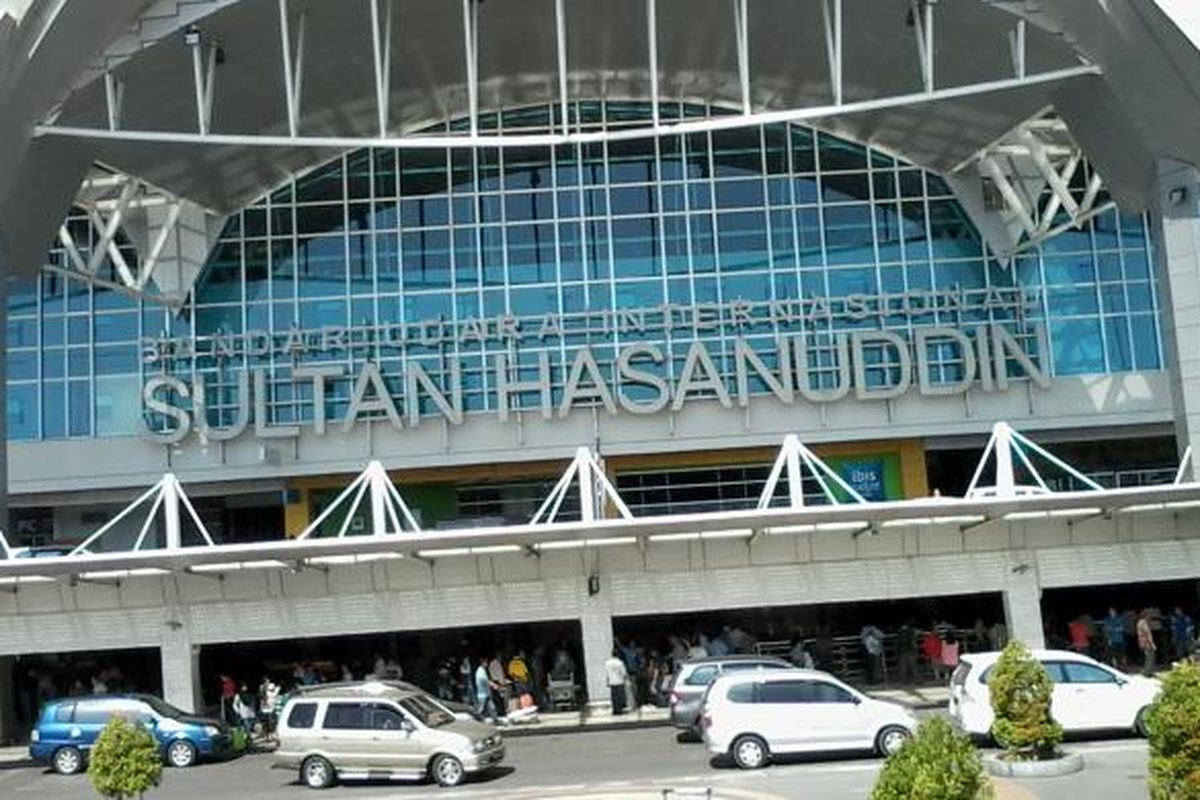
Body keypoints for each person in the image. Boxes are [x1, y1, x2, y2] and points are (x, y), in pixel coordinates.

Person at [604, 648, 629, 715]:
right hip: (619, 681)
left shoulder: (607, 663)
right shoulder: (620, 663)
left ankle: (615, 710)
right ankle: (619, 710)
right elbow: (624, 673)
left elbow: (607, 673)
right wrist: (626, 680)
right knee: (619, 696)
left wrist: (607, 681)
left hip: (612, 681)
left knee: (614, 697)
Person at [474, 656, 498, 721]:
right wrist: (492, 684)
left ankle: (495, 719)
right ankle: (478, 719)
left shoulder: (482, 670)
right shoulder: (480, 671)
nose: (487, 664)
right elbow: (484, 680)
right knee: (481, 708)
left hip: (486, 693)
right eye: (486, 663)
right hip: (482, 694)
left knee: (492, 707)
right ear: (483, 663)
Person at [896, 620, 919, 685]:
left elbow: (897, 644)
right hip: (910, 651)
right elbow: (913, 642)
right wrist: (916, 651)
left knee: (903, 667)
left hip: (902, 652)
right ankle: (916, 680)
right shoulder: (911, 632)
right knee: (913, 667)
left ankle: (903, 681)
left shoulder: (899, 633)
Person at [1137, 609, 1157, 676]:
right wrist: (1152, 643)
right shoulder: (1144, 623)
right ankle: (1148, 672)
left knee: (1147, 657)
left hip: (1141, 642)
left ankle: (1147, 671)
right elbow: (1148, 633)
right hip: (1147, 643)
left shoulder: (1139, 622)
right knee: (1150, 657)